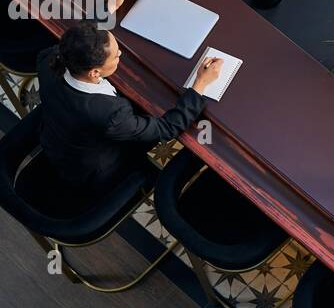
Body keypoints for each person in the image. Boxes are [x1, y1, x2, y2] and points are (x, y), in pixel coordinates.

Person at [35, 22, 222, 194]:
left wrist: (106, 9)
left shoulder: (49, 59)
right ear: (94, 72)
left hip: (59, 137)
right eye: (116, 55)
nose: (120, 55)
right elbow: (165, 129)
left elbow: (76, 43)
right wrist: (200, 85)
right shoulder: (112, 115)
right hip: (93, 171)